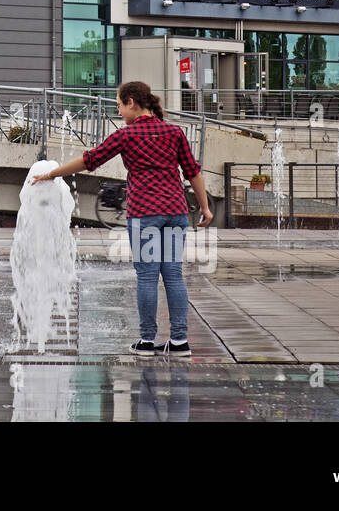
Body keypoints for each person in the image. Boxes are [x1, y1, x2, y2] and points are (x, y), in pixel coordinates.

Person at [33, 81, 212, 357]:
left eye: (118, 105)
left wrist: (51, 174)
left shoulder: (127, 135)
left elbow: (90, 160)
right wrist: (205, 208)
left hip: (146, 214)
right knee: (174, 275)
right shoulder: (174, 132)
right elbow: (193, 172)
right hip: (176, 212)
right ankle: (179, 342)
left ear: (131, 102)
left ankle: (147, 341)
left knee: (147, 277)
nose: (118, 111)